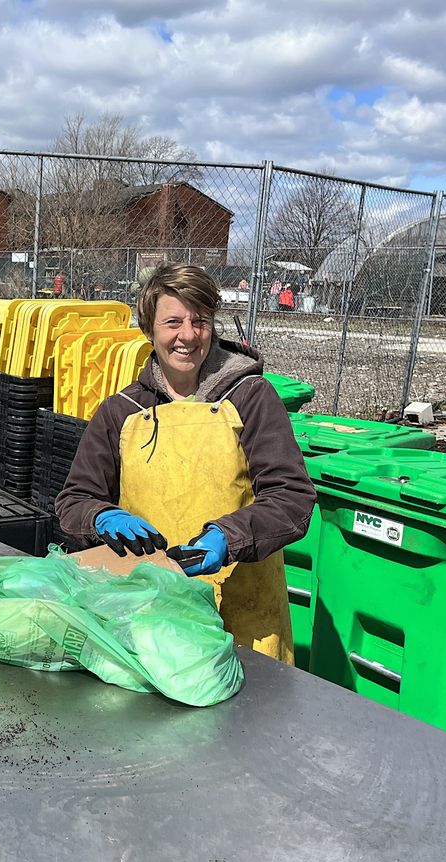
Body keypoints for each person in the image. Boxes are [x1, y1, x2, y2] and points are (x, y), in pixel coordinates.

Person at [55, 264, 314, 663]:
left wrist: (229, 537)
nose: (188, 335)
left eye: (200, 321)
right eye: (173, 322)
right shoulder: (121, 410)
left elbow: (291, 496)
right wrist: (100, 516)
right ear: (149, 329)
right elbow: (75, 499)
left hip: (243, 622)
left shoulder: (251, 396)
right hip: (151, 618)